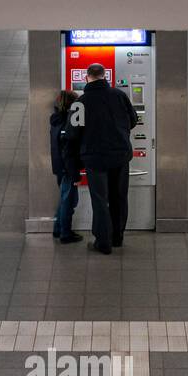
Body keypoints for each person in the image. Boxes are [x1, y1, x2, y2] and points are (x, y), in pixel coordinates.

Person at [72, 63, 138, 254]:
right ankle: (117, 237)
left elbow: (73, 133)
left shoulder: (81, 102)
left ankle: (103, 242)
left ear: (87, 78)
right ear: (104, 76)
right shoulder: (120, 96)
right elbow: (133, 120)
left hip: (95, 158)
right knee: (119, 197)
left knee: (100, 200)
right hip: (120, 155)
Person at [49, 90, 84, 244]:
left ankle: (58, 229)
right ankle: (65, 233)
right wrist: (75, 174)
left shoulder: (56, 120)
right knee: (69, 201)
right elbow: (68, 153)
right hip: (67, 168)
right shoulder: (67, 125)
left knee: (65, 200)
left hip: (59, 167)